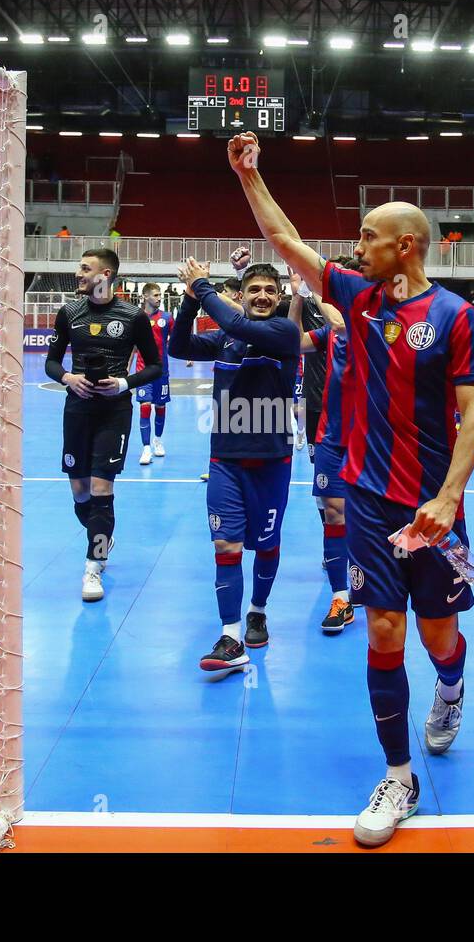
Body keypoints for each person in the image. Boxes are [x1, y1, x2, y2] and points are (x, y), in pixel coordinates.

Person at [228, 129, 474, 848]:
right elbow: (284, 241)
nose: (357, 245)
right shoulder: (355, 295)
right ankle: (398, 775)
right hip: (368, 500)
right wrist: (251, 175)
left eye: (370, 237)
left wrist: (446, 497)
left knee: (439, 635)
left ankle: (451, 688)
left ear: (406, 246)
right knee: (381, 628)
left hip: (432, 507)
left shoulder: (454, 318)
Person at [168, 257, 300, 672]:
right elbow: (178, 347)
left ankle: (257, 609)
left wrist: (202, 285)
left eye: (270, 291)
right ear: (241, 295)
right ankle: (229, 636)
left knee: (265, 543)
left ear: (279, 300)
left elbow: (242, 325)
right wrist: (190, 301)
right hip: (224, 460)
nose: (262, 296)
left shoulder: (285, 332)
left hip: (272, 461)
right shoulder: (227, 337)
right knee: (225, 545)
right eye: (254, 290)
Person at [45, 248, 162, 602]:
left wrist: (124, 383)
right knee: (80, 492)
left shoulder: (133, 316)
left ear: (106, 274)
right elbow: (51, 363)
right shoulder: (69, 313)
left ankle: (94, 565)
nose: (78, 273)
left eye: (85, 268)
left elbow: (155, 366)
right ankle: (101, 533)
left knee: (101, 489)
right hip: (77, 411)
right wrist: (68, 378)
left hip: (114, 412)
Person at [290, 262, 353, 632]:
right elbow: (295, 341)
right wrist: (297, 296)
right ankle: (340, 596)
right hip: (331, 436)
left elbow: (344, 323)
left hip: (370, 436)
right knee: (333, 512)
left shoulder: (369, 320)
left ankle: (368, 585)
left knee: (367, 518)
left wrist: (315, 287)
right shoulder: (329, 332)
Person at [134, 283, 171, 465]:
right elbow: (131, 345)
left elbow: (179, 339)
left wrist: (188, 355)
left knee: (160, 407)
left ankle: (158, 440)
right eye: (155, 295)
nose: (159, 297)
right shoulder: (136, 318)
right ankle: (146, 448)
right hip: (143, 370)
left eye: (160, 294)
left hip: (162, 371)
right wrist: (125, 367)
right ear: (145, 297)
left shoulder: (167, 317)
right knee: (145, 405)